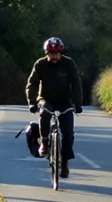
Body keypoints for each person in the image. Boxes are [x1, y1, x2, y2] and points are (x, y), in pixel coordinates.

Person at [26, 36, 84, 177]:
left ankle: (64, 162)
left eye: (57, 53)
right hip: (46, 99)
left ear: (61, 53)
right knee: (44, 112)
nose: (54, 56)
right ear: (47, 53)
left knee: (68, 133)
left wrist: (77, 103)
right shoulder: (40, 64)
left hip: (64, 101)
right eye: (51, 53)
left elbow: (76, 84)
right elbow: (32, 84)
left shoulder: (69, 64)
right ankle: (44, 143)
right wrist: (32, 102)